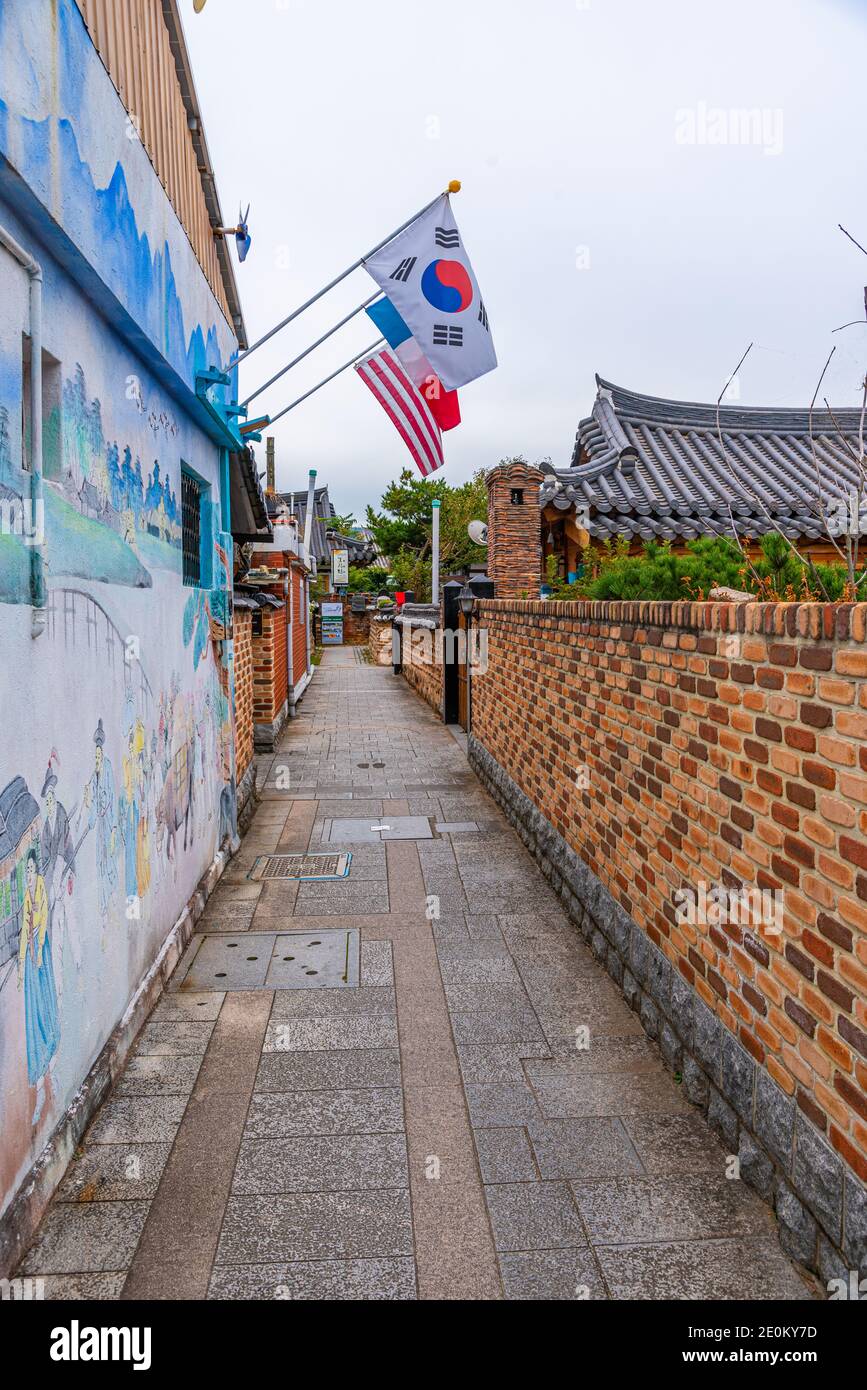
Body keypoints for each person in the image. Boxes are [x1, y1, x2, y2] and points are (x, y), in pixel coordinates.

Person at [18, 848, 60, 1123]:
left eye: (32, 870)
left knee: (45, 1011)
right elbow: (24, 931)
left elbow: (42, 921)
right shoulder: (25, 896)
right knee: (32, 1016)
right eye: (27, 872)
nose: (30, 875)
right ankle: (40, 1077)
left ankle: (48, 1069)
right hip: (32, 960)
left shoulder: (41, 889)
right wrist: (22, 965)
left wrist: (35, 954)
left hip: (41, 955)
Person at [40, 757, 81, 1002]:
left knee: (72, 923)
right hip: (52, 882)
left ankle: (78, 965)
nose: (51, 800)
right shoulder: (46, 827)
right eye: (47, 797)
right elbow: (45, 861)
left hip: (64, 874)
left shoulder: (62, 814)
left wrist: (70, 872)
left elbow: (69, 845)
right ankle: (58, 988)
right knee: (56, 931)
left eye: (53, 795)